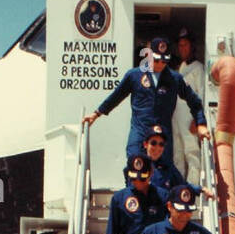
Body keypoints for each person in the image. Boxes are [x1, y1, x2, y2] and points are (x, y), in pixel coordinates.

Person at [83, 36, 208, 167]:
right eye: (157, 60)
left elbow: (195, 102)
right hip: (140, 131)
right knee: (135, 168)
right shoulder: (134, 75)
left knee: (162, 175)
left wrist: (201, 123)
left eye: (164, 61)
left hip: (162, 135)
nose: (160, 64)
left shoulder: (175, 79)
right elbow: (116, 97)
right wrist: (96, 114)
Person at [143, 123, 213, 200]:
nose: (157, 147)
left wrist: (201, 190)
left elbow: (182, 185)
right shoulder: (139, 165)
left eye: (161, 144)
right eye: (153, 143)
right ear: (145, 144)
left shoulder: (168, 167)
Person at [171, 29, 206, 182]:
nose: (182, 48)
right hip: (176, 117)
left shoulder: (198, 68)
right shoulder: (181, 67)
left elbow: (202, 95)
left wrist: (197, 120)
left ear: (192, 46)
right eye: (180, 46)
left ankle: (192, 191)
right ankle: (179, 191)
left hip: (189, 118)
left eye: (185, 45)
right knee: (177, 154)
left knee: (192, 153)